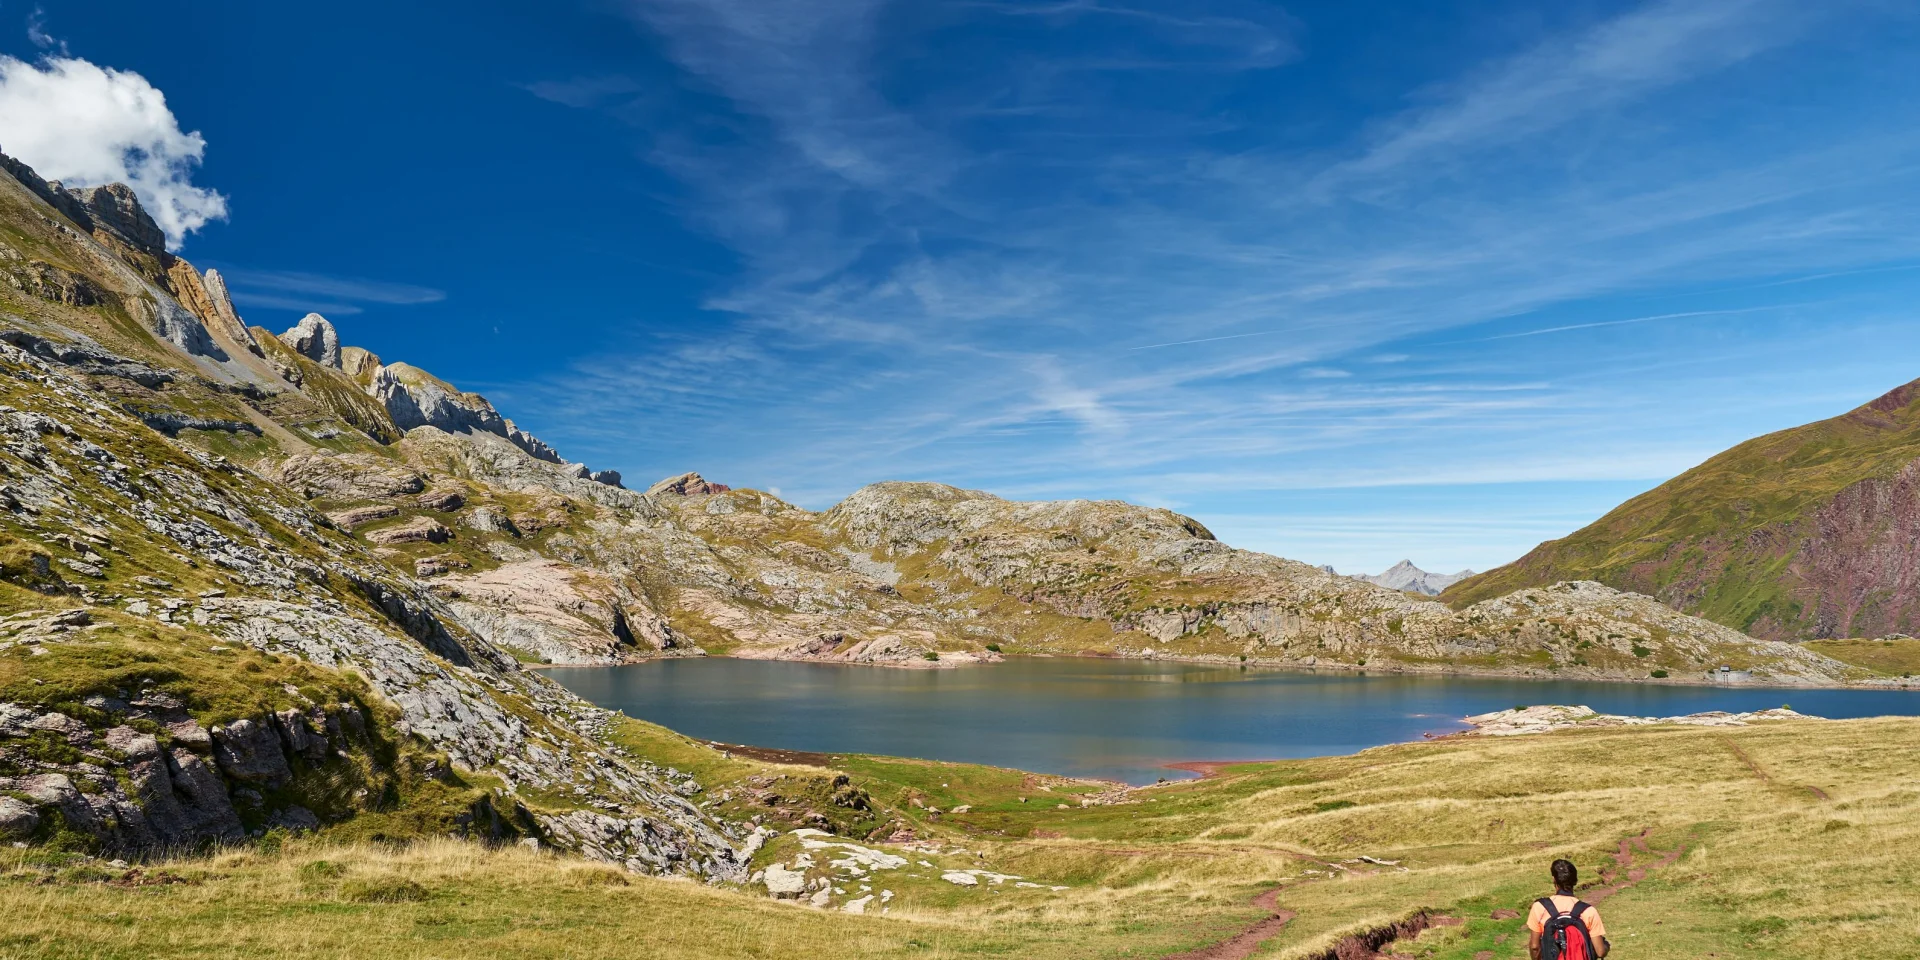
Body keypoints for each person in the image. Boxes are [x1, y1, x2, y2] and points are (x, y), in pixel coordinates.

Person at [1528, 859, 1609, 959]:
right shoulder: (1588, 911)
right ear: (1575, 881)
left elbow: (1535, 947)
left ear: (1554, 879)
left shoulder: (1540, 907)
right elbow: (1600, 952)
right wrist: (1606, 946)